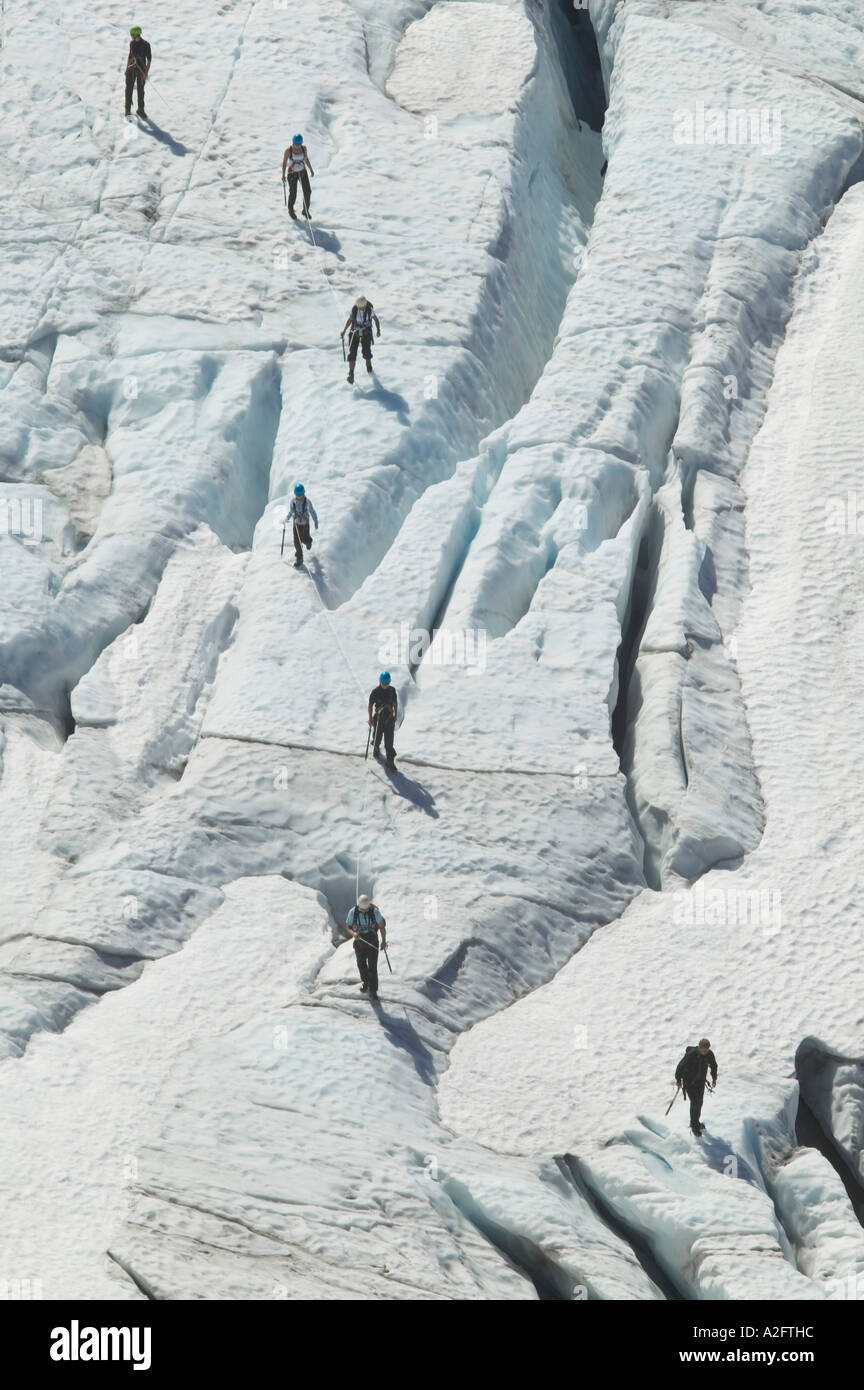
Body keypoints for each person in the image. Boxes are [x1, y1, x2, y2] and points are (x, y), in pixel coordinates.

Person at [346, 894, 386, 1000]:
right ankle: (366, 983)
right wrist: (353, 934)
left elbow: (382, 927)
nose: (364, 911)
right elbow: (348, 926)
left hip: (372, 942)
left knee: (372, 967)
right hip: (359, 942)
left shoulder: (374, 912)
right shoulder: (353, 912)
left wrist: (384, 942)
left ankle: (373, 990)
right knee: (361, 964)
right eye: (362, 910)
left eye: (366, 909)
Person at [674, 1037, 718, 1136]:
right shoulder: (691, 1054)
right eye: (702, 1049)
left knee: (699, 1103)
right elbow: (680, 1066)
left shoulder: (709, 1054)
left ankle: (696, 1123)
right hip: (689, 1083)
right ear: (699, 1047)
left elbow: (713, 1065)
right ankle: (694, 1127)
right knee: (695, 1103)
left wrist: (714, 1078)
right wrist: (678, 1080)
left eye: (706, 1050)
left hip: (700, 1082)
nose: (704, 1051)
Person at [341, 296, 380, 383]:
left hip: (366, 332)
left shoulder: (370, 310)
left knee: (367, 351)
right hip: (355, 332)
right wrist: (344, 331)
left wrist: (378, 330)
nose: (361, 309)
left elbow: (376, 320)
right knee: (352, 352)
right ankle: (351, 374)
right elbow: (350, 320)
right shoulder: (354, 310)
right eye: (360, 308)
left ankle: (368, 363)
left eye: (362, 308)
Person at [282, 484, 318, 567]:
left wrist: (315, 522)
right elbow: (291, 512)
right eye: (297, 495)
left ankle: (309, 542)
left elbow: (312, 511)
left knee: (305, 539)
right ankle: (299, 558)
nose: (299, 497)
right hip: (296, 524)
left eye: (300, 495)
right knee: (297, 542)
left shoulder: (307, 502)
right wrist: (286, 519)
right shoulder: (293, 502)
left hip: (305, 524)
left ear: (303, 493)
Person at [368, 671, 397, 767]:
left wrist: (395, 714)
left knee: (389, 741)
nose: (385, 685)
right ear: (380, 681)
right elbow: (370, 704)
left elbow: (395, 703)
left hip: (389, 719)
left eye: (387, 683)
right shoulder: (375, 691)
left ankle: (390, 760)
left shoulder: (392, 690)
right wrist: (370, 718)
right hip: (378, 719)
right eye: (384, 683)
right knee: (377, 737)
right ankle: (376, 748)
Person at [281, 135, 314, 220]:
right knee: (293, 193)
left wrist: (311, 169)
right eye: (296, 145)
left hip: (302, 172)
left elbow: (306, 159)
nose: (297, 147)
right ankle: (291, 210)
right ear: (293, 143)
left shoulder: (304, 149)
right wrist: (283, 174)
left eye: (299, 145)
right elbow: (284, 163)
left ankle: (305, 210)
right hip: (292, 173)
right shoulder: (288, 151)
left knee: (307, 192)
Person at [125, 25, 151, 118]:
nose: (131, 36)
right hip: (131, 69)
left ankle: (141, 109)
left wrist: (145, 73)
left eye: (132, 34)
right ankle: (127, 110)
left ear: (136, 34)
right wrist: (126, 68)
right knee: (128, 90)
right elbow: (130, 56)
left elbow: (149, 60)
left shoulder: (146, 45)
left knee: (141, 91)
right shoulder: (131, 43)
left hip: (141, 71)